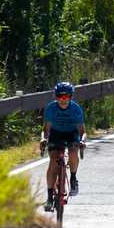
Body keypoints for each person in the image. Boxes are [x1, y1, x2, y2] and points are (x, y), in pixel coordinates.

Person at [40, 81, 87, 212]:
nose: (63, 100)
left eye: (66, 97)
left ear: (71, 97)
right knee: (53, 162)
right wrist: (43, 138)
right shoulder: (51, 108)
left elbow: (83, 131)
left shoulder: (76, 109)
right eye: (60, 97)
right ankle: (50, 196)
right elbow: (45, 129)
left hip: (71, 133)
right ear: (56, 97)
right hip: (56, 134)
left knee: (73, 152)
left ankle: (73, 177)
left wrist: (82, 141)